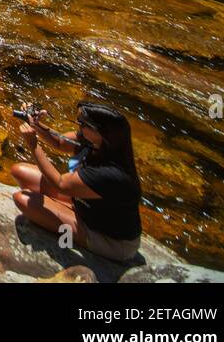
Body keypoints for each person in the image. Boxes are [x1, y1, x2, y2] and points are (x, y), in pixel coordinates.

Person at [10, 100, 143, 262]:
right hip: (89, 206)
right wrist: (35, 124)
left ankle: (75, 227)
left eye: (82, 123)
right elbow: (59, 142)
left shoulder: (110, 173)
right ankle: (66, 209)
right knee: (19, 171)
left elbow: (59, 184)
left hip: (109, 239)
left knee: (22, 199)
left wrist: (33, 145)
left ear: (100, 131)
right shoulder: (95, 142)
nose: (78, 126)